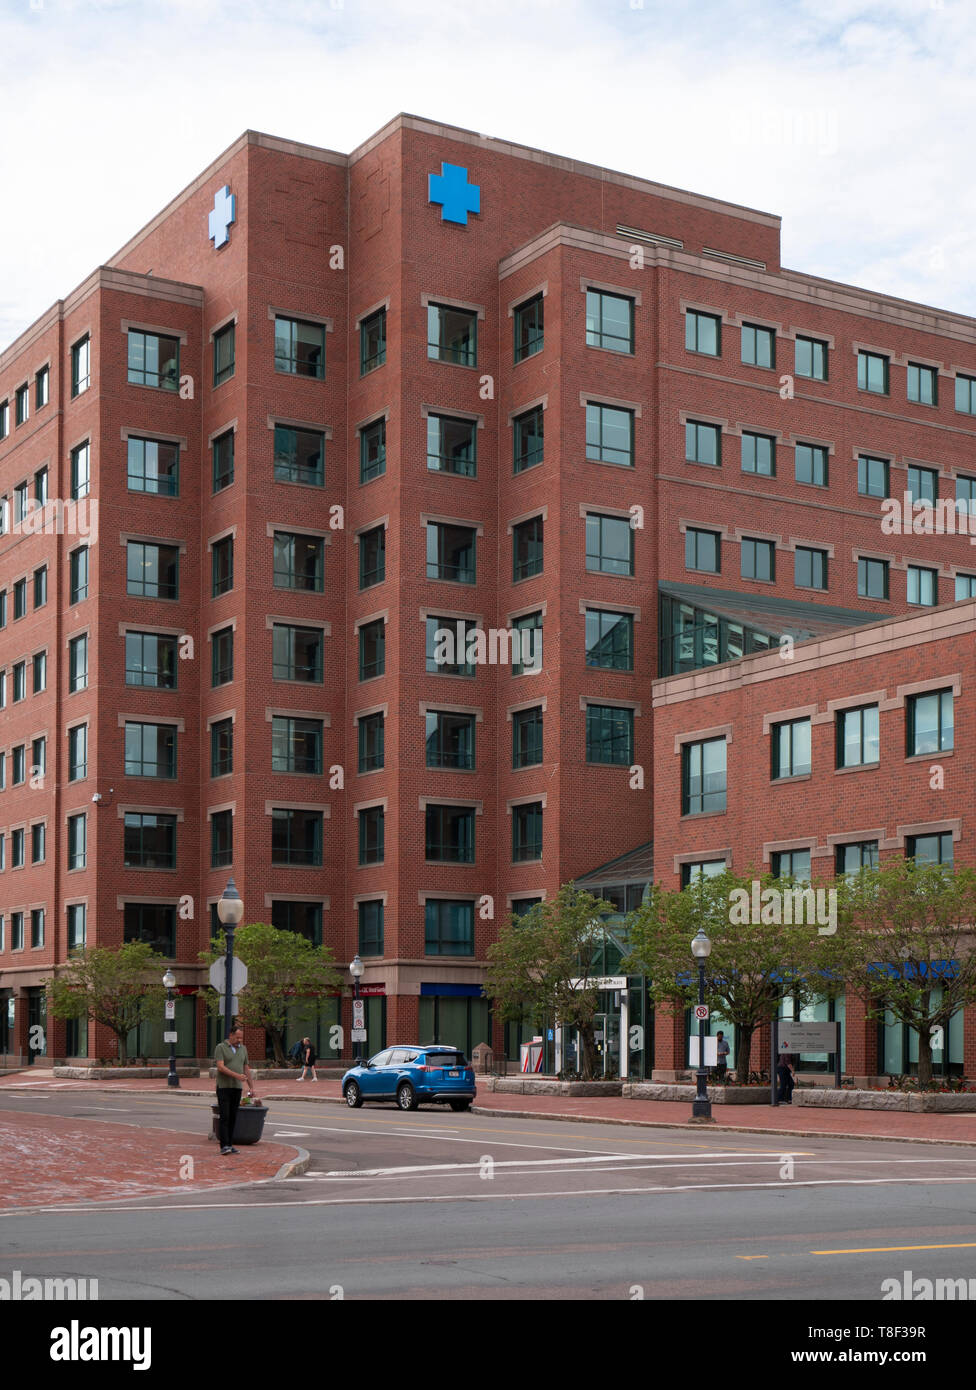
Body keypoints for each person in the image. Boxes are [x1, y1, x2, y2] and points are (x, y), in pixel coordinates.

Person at [214, 1024, 257, 1154]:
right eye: (237, 1037)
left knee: (233, 1117)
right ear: (231, 1035)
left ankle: (230, 1144)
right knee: (225, 1116)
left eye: (241, 1038)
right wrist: (237, 1076)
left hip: (237, 1088)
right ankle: (223, 1146)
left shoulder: (243, 1049)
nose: (239, 1040)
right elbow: (220, 1067)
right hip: (224, 1087)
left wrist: (251, 1087)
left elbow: (246, 1068)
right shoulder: (221, 1047)